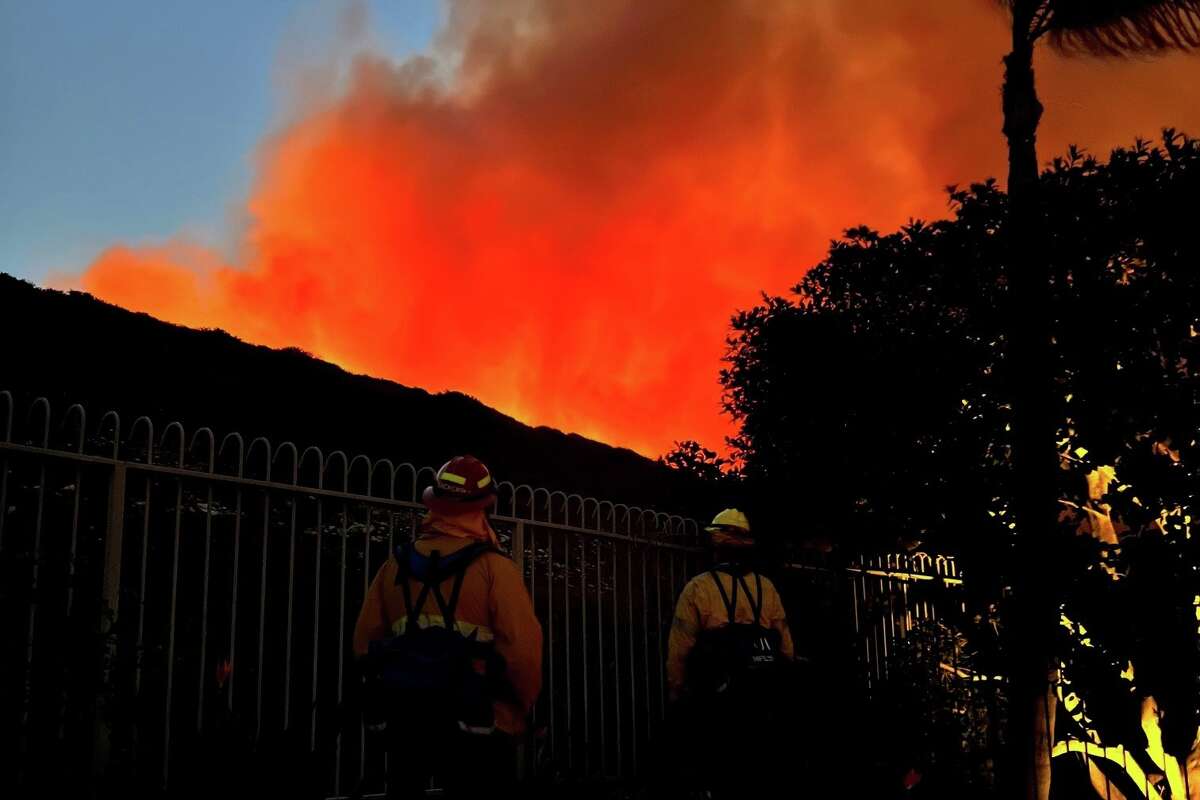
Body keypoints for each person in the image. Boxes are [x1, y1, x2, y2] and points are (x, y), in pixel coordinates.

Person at [353, 455, 542, 799]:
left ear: (434, 502)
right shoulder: (495, 569)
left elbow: (364, 644)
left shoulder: (395, 564)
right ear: (487, 505)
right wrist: (519, 711)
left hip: (403, 721)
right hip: (478, 724)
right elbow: (523, 651)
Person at [663, 508, 794, 799]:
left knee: (718, 768)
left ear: (716, 545)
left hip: (716, 699)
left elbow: (680, 645)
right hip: (761, 696)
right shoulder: (766, 588)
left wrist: (677, 690)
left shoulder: (699, 588)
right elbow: (785, 644)